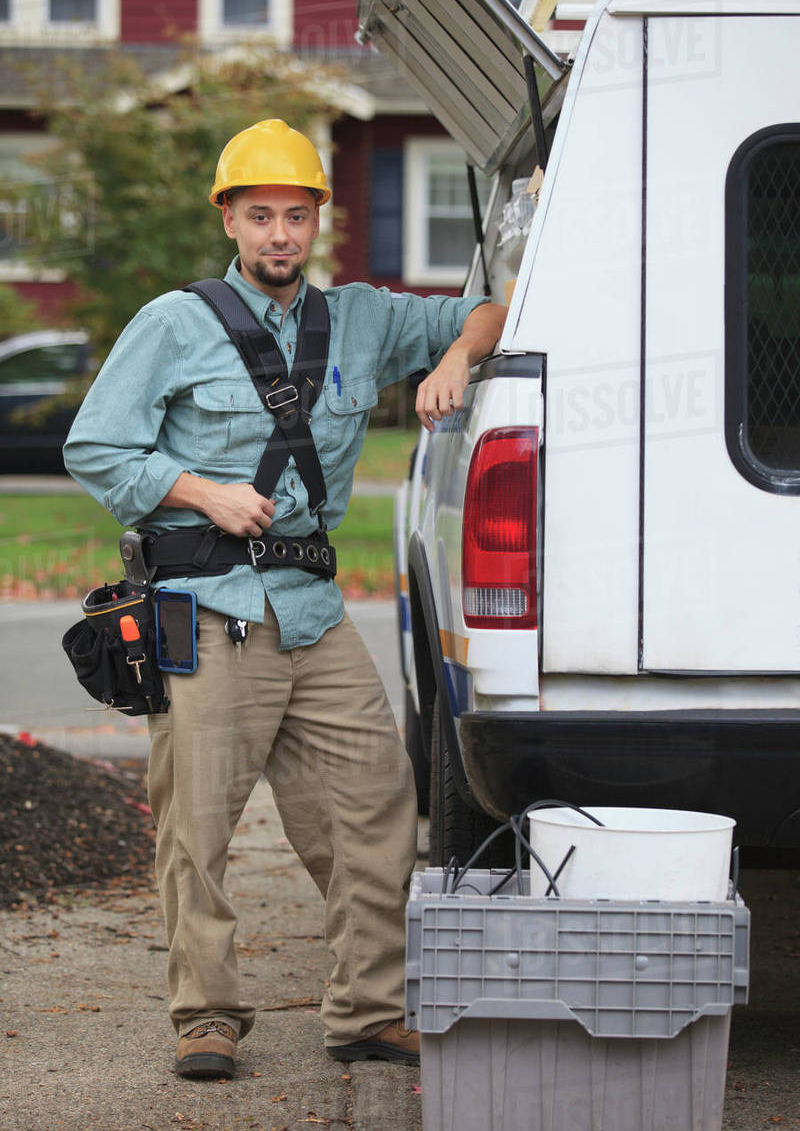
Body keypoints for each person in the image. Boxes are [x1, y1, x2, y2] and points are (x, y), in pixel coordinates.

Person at [63, 118, 506, 1080]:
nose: (278, 234)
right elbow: (95, 446)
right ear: (229, 218)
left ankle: (366, 1011)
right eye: (260, 215)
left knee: (378, 807)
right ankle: (207, 1016)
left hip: (313, 614)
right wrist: (201, 490)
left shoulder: (361, 318)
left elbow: (488, 306)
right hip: (208, 611)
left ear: (319, 222)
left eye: (295, 216)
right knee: (199, 831)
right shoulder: (172, 323)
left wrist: (454, 360)